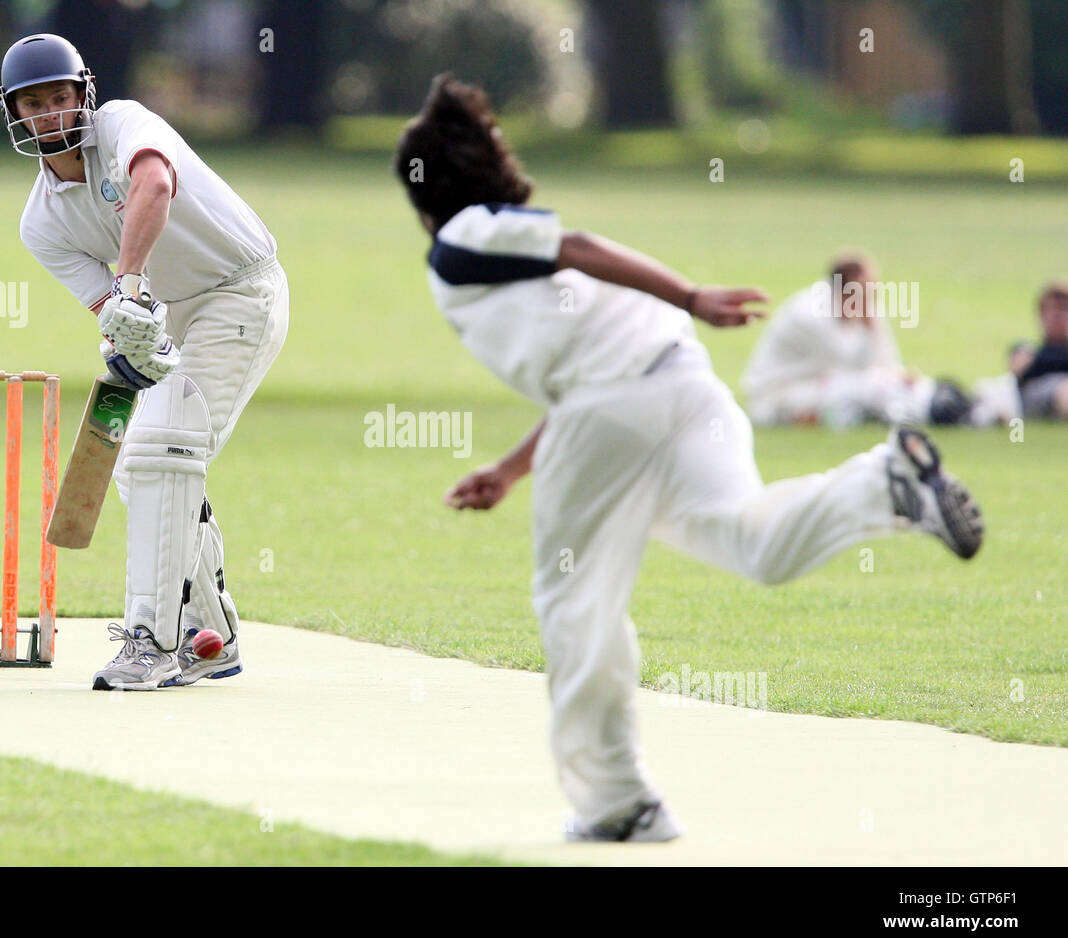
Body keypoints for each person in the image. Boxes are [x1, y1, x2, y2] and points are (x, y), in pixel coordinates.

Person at [393, 75, 984, 843]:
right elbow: (591, 367)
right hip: (682, 385)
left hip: (622, 397)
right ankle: (884, 484)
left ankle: (618, 802)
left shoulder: (464, 235)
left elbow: (578, 249)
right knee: (753, 540)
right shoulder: (502, 252)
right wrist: (510, 469)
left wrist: (692, 292)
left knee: (576, 604)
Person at [0, 34, 289, 690]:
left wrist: (128, 286)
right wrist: (128, 333)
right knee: (141, 468)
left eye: (60, 98)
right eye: (33, 103)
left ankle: (150, 643)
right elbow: (109, 307)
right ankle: (209, 636)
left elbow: (153, 185)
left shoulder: (125, 122)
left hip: (241, 288)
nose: (50, 113)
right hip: (176, 309)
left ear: (83, 95)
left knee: (163, 449)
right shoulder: (41, 223)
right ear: (15, 114)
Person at [741, 252, 972, 428]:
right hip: (778, 395)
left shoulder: (860, 307)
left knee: (874, 387)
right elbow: (850, 367)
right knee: (864, 389)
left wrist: (895, 372)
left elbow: (885, 363)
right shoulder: (809, 313)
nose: (870, 297)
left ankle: (946, 401)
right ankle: (931, 410)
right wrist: (872, 328)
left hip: (824, 385)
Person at [1014, 280, 1068, 420]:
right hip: (1039, 396)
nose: (1058, 315)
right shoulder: (1026, 349)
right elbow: (1019, 370)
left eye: (1063, 308)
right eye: (1052, 309)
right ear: (1041, 315)